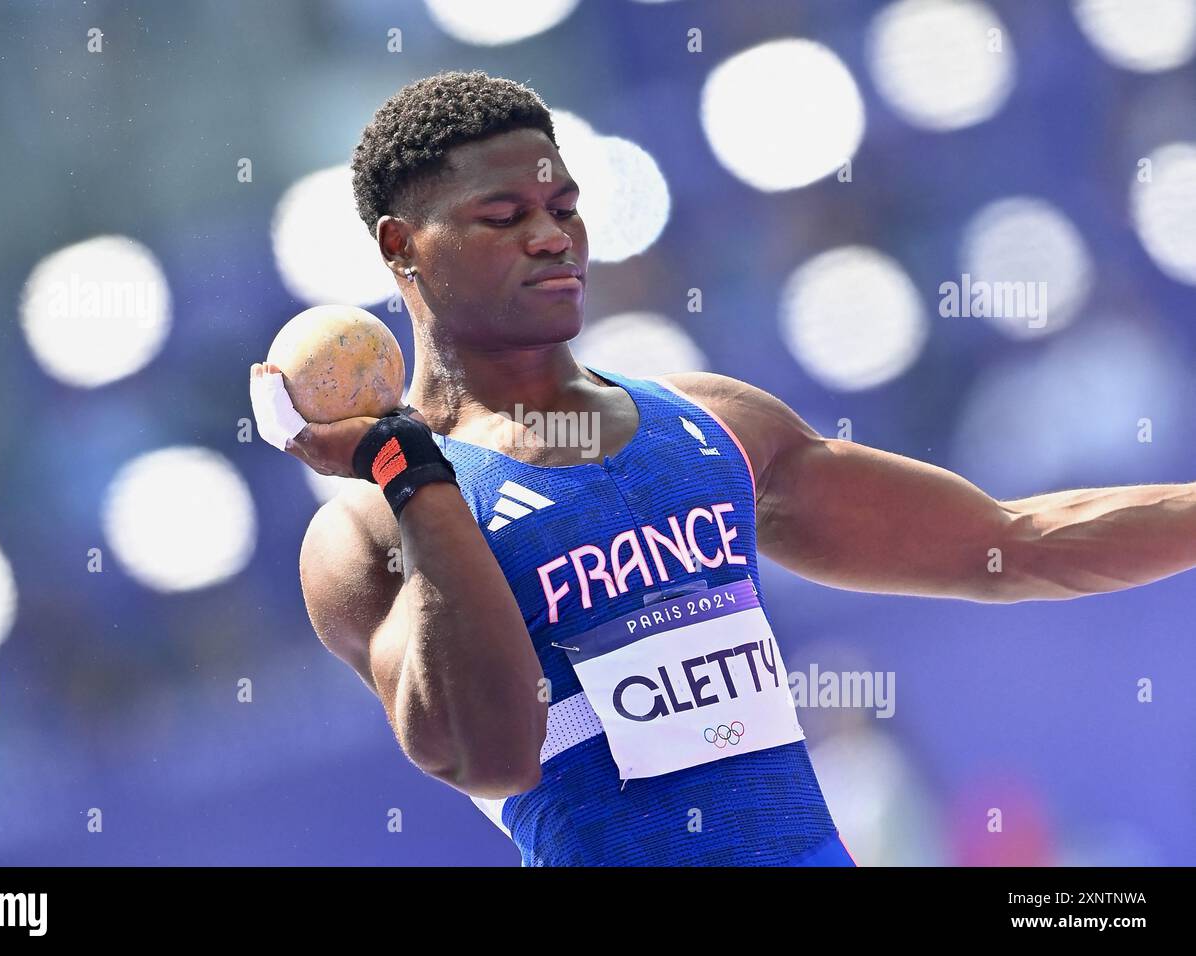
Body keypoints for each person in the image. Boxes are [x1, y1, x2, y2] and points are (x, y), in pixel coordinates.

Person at [250, 70, 1196, 866]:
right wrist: (415, 478)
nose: (552, 238)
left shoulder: (711, 426)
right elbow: (493, 751)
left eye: (565, 208)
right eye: (504, 215)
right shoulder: (367, 533)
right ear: (399, 246)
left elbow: (1015, 544)